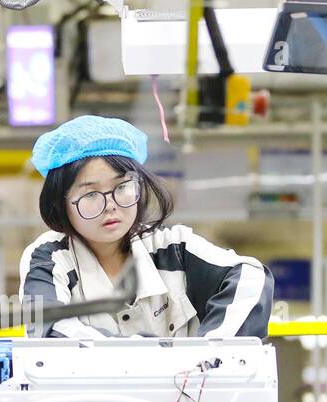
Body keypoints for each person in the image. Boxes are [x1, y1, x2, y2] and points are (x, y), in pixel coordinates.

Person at [20, 115, 273, 339]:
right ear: (60, 202)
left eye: (122, 186)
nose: (111, 206)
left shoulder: (173, 248)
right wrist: (138, 356)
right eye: (91, 194)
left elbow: (251, 277)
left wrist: (210, 353)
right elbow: (49, 327)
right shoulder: (50, 259)